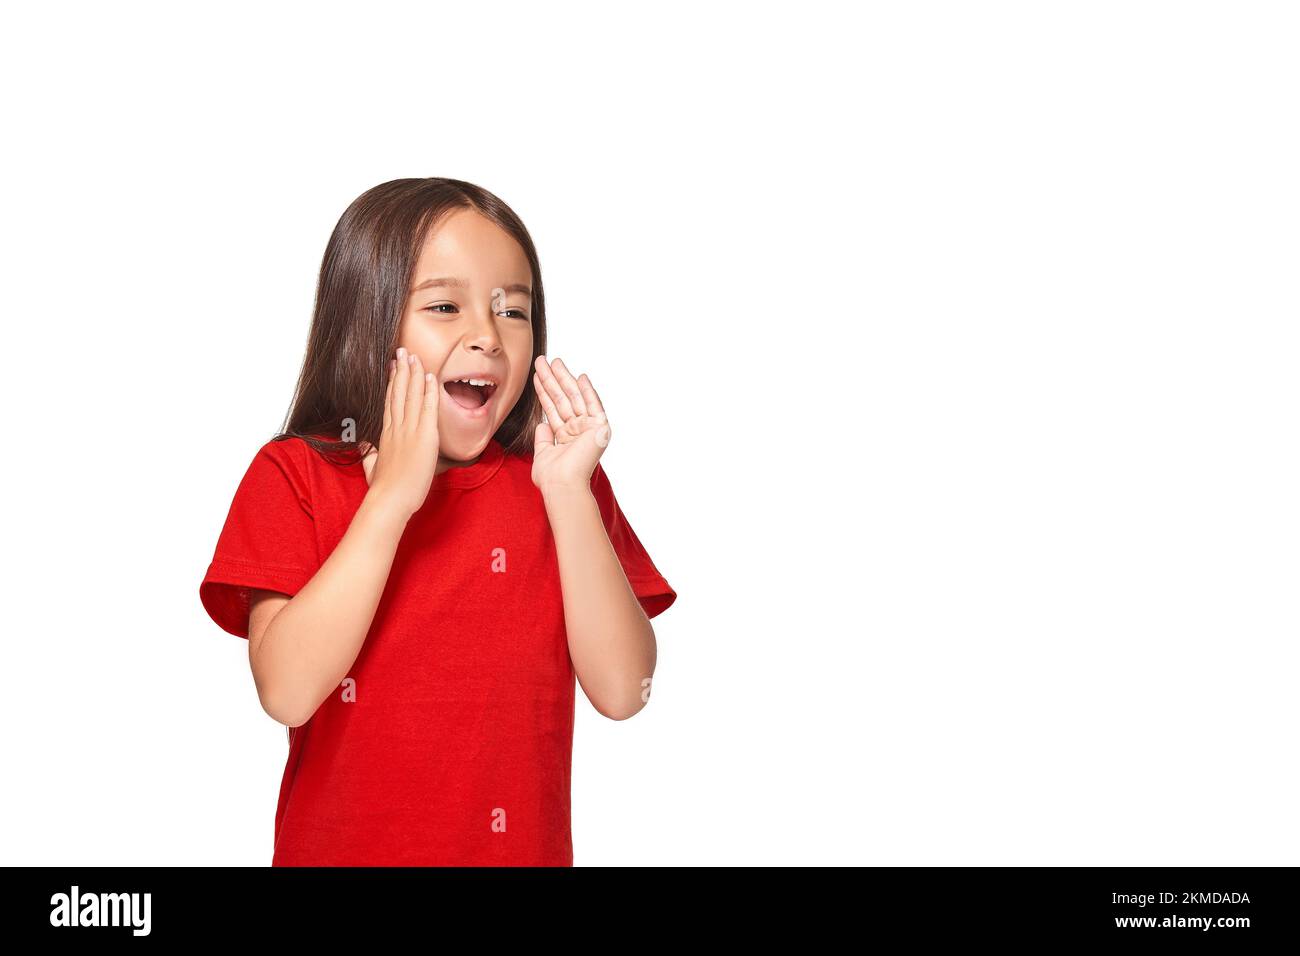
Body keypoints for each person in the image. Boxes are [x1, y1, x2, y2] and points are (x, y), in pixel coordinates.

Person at [198, 177, 676, 866]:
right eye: (446, 306)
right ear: (369, 319)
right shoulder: (296, 475)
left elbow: (626, 691)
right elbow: (288, 691)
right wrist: (391, 497)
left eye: (513, 311)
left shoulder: (560, 484)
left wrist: (570, 494)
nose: (487, 336)